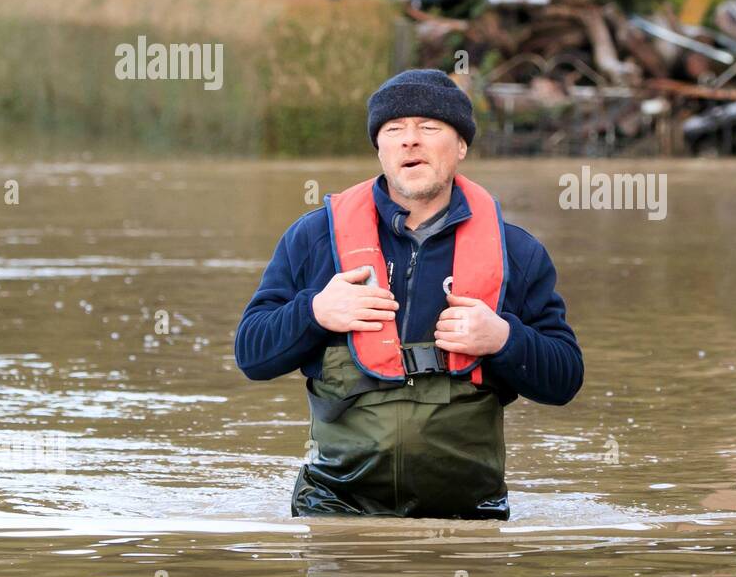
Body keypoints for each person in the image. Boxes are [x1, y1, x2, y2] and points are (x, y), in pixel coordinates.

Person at [234, 69, 583, 519]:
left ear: (460, 146)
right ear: (379, 148)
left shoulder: (517, 251)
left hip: (470, 517)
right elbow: (251, 355)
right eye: (394, 130)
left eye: (429, 128)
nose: (409, 141)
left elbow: (565, 380)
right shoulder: (314, 238)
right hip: (338, 510)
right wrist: (315, 311)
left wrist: (503, 339)